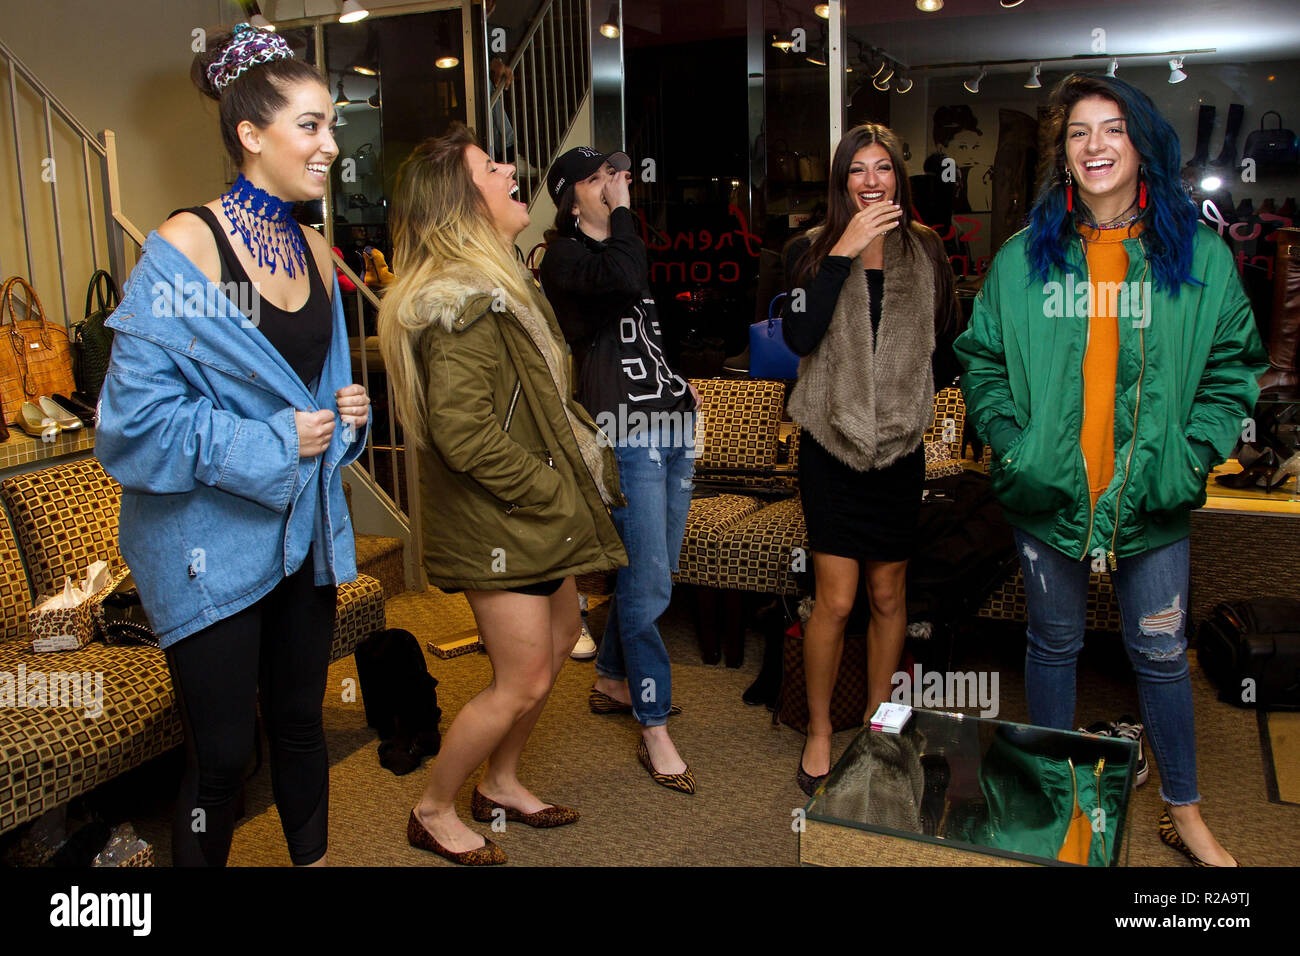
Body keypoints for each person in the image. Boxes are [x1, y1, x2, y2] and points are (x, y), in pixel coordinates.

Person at [955, 73, 1265, 867]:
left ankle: (1184, 810)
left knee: (1160, 655)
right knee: (1052, 644)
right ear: (1063, 155)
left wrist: (1192, 451)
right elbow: (982, 360)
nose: (1095, 145)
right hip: (1050, 493)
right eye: (1079, 133)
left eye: (1113, 129)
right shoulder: (1027, 258)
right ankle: (1056, 801)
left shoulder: (1196, 257)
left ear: (1142, 146)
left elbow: (1233, 371)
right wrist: (1011, 438)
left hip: (1151, 496)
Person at [95, 24, 372, 867]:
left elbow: (311, 392)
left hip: (299, 535)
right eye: (312, 126)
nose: (332, 144)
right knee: (221, 759)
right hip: (205, 541)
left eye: (332, 125)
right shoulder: (185, 247)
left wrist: (343, 413)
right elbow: (130, 423)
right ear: (251, 134)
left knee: (298, 726)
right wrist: (272, 438)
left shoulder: (316, 247)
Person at [378, 126, 627, 865]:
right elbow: (464, 435)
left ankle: (503, 782)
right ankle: (432, 809)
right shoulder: (456, 303)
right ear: (460, 203)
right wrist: (548, 488)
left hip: (528, 517)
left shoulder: (500, 281)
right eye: (493, 168)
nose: (513, 170)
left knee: (551, 651)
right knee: (519, 682)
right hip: (504, 522)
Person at [782, 124, 960, 798]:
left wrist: (910, 401)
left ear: (898, 179)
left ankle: (878, 724)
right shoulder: (807, 248)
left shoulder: (927, 251)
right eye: (856, 170)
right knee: (835, 599)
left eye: (882, 168)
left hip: (898, 452)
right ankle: (822, 728)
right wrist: (843, 252)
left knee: (889, 595)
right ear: (841, 181)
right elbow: (798, 334)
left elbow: (946, 346)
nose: (870, 181)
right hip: (829, 446)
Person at [539, 146, 700, 794]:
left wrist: (685, 396)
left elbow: (649, 329)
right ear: (572, 194)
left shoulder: (624, 248)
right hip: (628, 431)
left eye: (619, 173)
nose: (617, 182)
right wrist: (624, 214)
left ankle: (611, 677)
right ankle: (653, 723)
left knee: (658, 565)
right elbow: (628, 280)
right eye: (600, 176)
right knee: (649, 583)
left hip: (673, 423)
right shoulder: (566, 257)